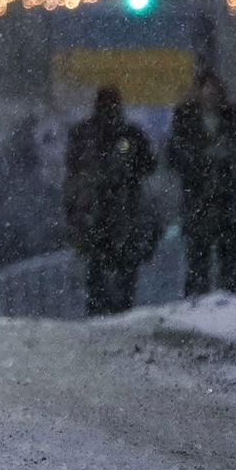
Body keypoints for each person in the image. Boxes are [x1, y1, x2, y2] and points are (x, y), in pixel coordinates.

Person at [62, 84, 160, 316]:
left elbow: (147, 165)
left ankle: (111, 311)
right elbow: (74, 171)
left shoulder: (127, 134)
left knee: (116, 269)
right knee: (103, 270)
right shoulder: (89, 134)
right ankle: (108, 311)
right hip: (101, 213)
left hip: (120, 211)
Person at [166, 68, 236, 296]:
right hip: (199, 198)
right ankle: (199, 299)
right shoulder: (185, 119)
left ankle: (229, 298)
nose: (209, 97)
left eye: (213, 92)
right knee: (198, 259)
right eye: (205, 92)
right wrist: (202, 158)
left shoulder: (232, 117)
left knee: (229, 258)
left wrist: (232, 157)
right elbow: (174, 155)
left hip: (226, 198)